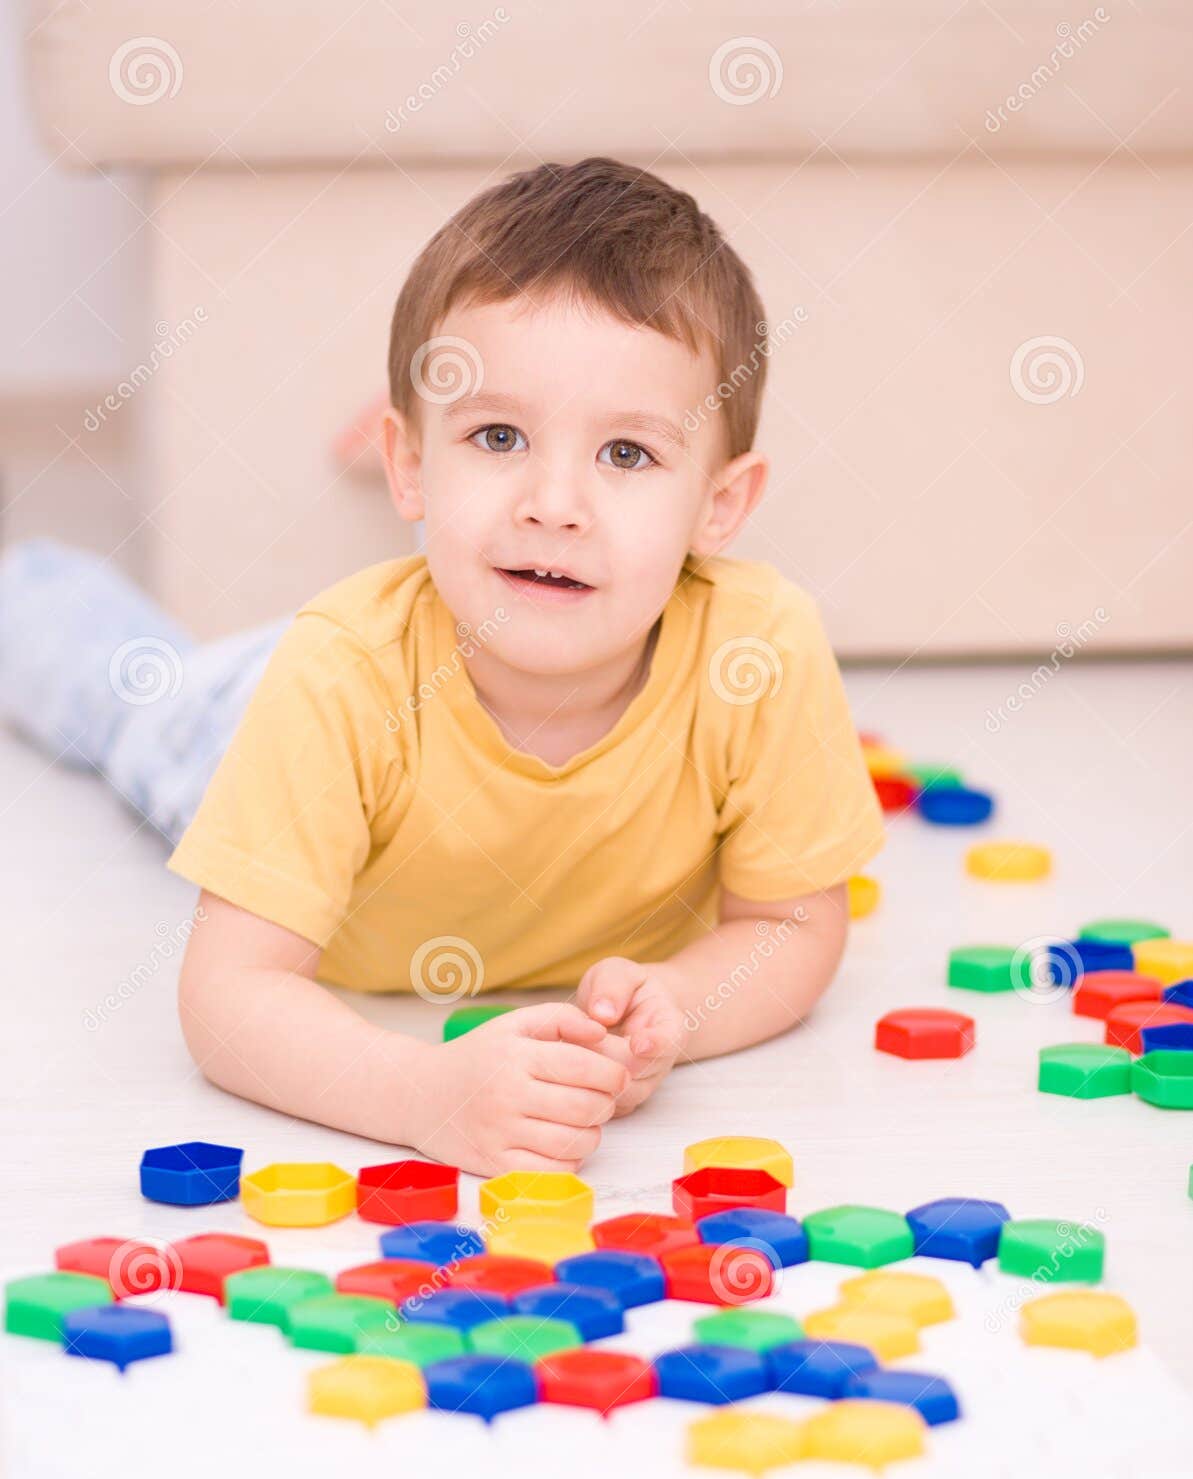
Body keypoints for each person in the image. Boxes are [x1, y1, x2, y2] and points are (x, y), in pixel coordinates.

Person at [0, 157, 883, 1175]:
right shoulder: (336, 677)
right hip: (233, 722)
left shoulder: (760, 651)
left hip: (405, 643)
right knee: (127, 689)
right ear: (409, 466)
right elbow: (226, 997)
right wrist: (427, 1098)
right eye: (498, 435)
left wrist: (676, 1010)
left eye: (627, 455)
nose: (555, 503)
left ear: (720, 506)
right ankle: (30, 583)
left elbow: (791, 926)